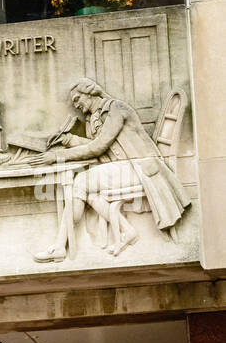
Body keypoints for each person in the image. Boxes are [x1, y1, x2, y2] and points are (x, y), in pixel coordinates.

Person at [29, 78, 190, 262]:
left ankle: (60, 246)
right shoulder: (98, 115)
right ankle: (126, 231)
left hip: (141, 170)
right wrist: (67, 140)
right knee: (87, 191)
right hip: (127, 168)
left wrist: (58, 157)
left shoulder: (117, 109)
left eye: (77, 99)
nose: (76, 105)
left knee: (80, 182)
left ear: (90, 93)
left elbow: (99, 147)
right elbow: (97, 144)